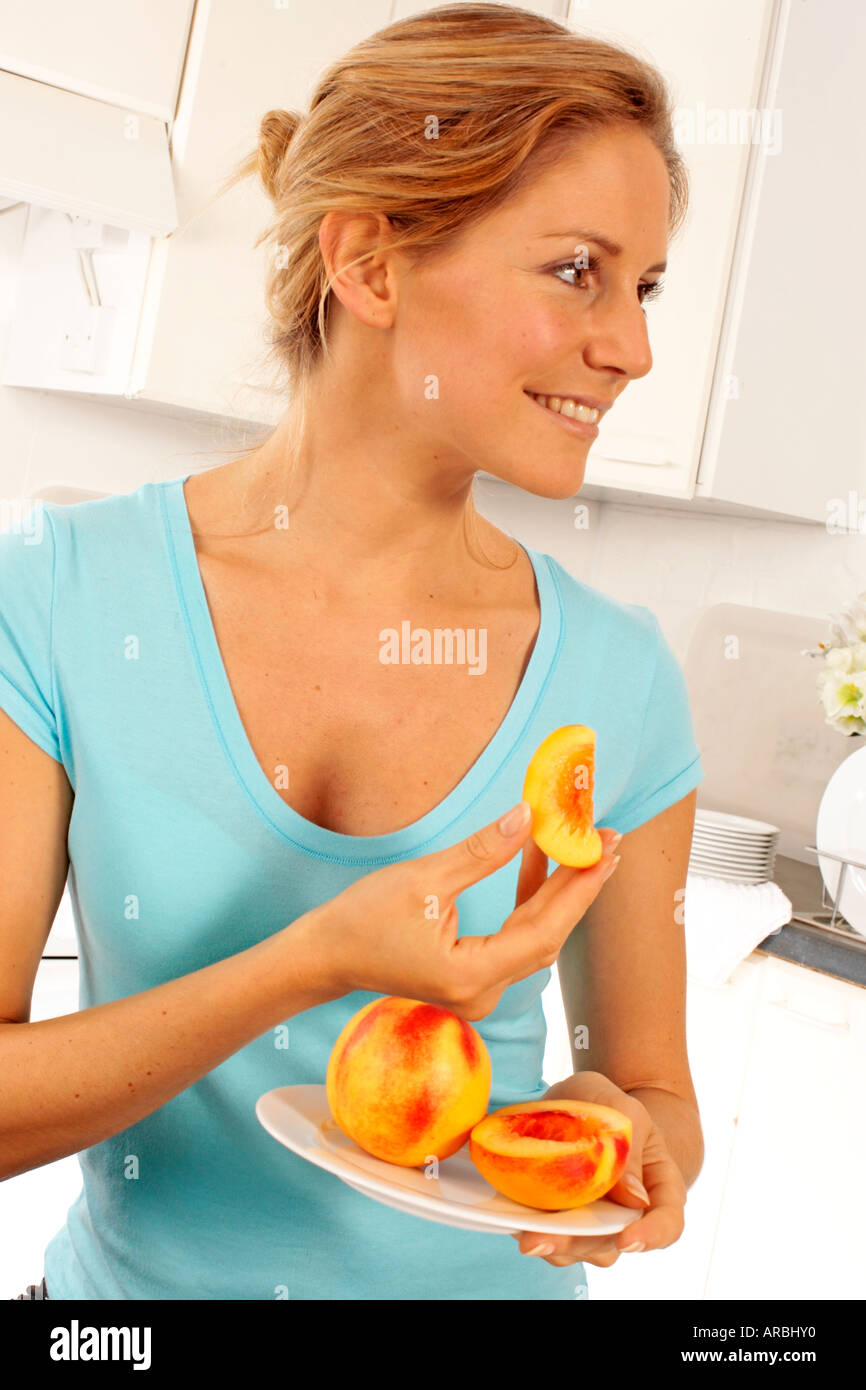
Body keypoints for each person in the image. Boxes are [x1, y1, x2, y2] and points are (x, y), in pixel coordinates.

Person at [0, 2, 704, 1300]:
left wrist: (633, 1138)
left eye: (644, 286)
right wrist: (315, 959)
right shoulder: (54, 598)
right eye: (574, 270)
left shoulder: (621, 680)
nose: (634, 347)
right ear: (371, 266)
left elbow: (647, 1083)